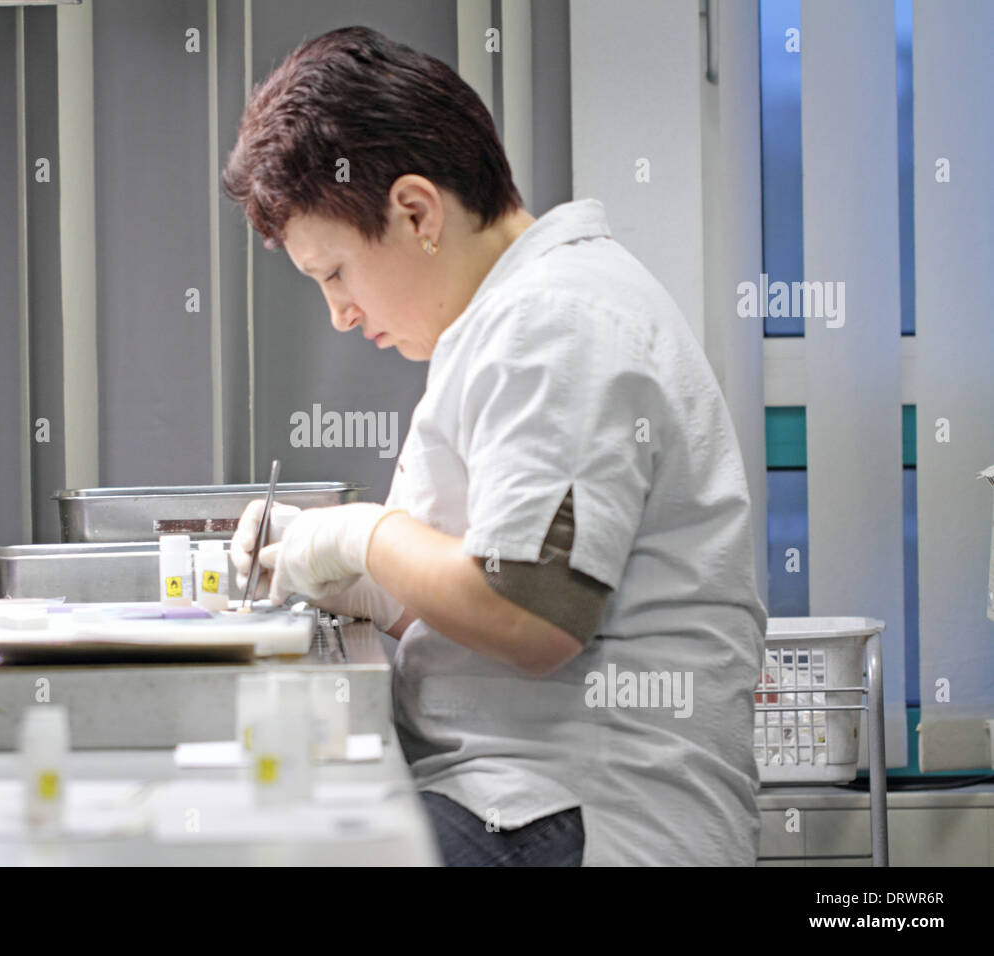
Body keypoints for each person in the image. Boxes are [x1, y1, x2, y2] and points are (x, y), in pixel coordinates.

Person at [222, 25, 766, 866]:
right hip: (521, 793)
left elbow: (531, 614)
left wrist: (360, 535)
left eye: (333, 274)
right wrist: (347, 579)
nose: (340, 312)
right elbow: (482, 600)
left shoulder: (557, 323)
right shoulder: (512, 319)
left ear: (415, 210)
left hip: (581, 812)